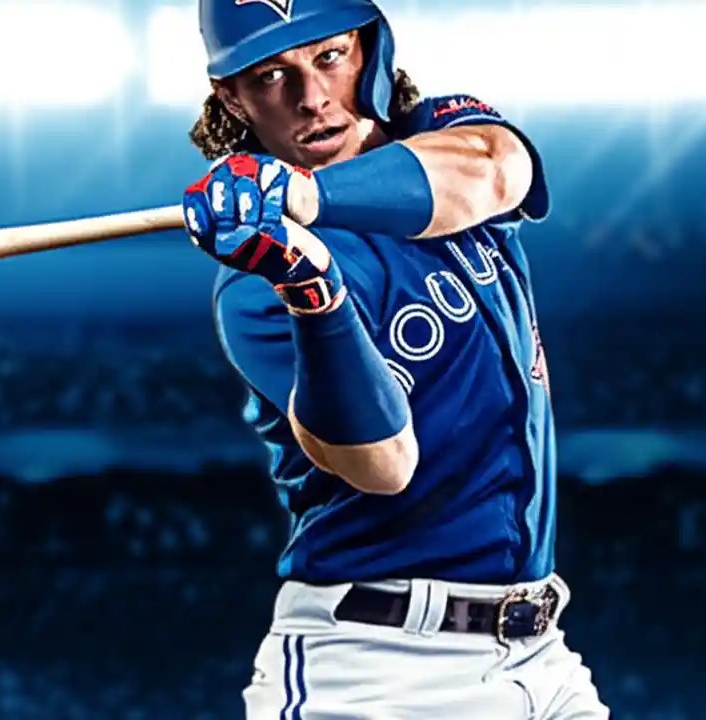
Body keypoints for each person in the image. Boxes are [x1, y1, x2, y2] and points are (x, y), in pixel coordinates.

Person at [179, 1, 609, 717]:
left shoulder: (443, 134)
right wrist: (311, 285)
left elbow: (498, 170)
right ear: (232, 98)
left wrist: (308, 195)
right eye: (271, 76)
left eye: (329, 56)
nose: (312, 97)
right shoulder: (255, 285)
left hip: (541, 652)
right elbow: (384, 465)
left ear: (371, 51)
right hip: (377, 667)